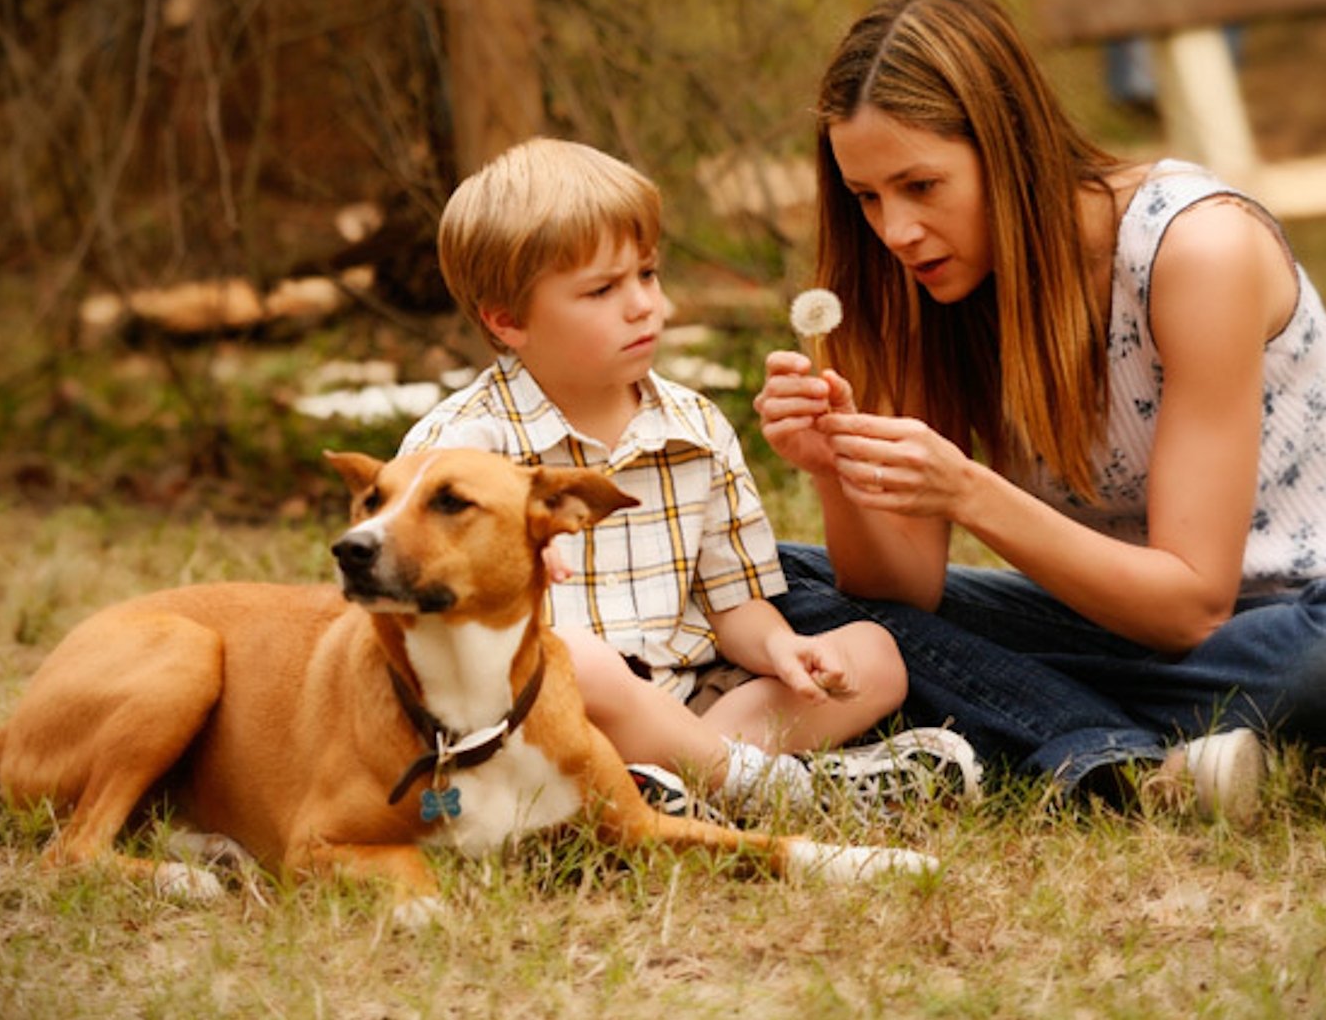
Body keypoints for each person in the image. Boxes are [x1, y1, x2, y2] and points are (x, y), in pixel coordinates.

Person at [754, 0, 1326, 823]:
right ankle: (1117, 756)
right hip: (1102, 622)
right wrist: (835, 469)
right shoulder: (920, 286)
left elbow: (1193, 607)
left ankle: (1023, 722)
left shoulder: (1196, 249)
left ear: (1009, 148)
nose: (895, 230)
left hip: (1286, 631)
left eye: (920, 185)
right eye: (868, 198)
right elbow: (897, 592)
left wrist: (971, 493)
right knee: (776, 580)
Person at [399, 137, 981, 818]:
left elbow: (733, 604)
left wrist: (782, 647)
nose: (643, 304)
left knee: (874, 656)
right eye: (602, 289)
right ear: (507, 320)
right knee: (576, 659)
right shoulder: (461, 452)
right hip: (538, 716)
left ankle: (663, 789)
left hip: (688, 701)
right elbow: (425, 629)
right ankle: (768, 789)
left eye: (646, 274)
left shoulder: (695, 428)